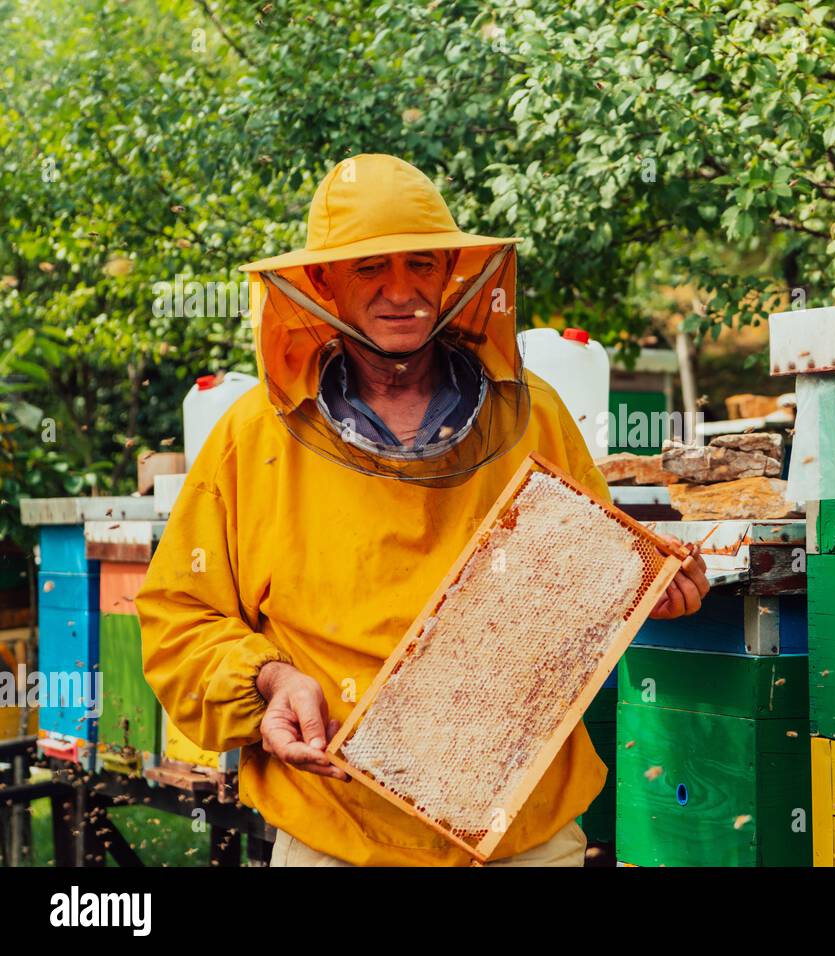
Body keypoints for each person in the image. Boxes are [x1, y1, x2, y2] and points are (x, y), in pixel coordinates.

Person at [137, 154, 709, 866]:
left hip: (521, 826)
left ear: (452, 274)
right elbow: (179, 619)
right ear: (321, 283)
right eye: (370, 269)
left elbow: (585, 583)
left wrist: (651, 589)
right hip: (336, 828)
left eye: (422, 264)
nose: (401, 291)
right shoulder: (252, 437)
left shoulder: (536, 415)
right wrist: (271, 679)